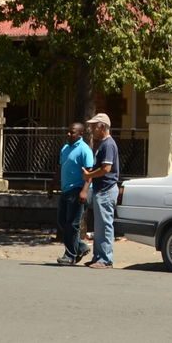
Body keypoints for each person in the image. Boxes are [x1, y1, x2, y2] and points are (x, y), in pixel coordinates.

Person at [83, 113, 120, 269]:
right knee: (99, 227)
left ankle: (105, 259)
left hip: (106, 190)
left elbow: (106, 168)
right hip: (102, 190)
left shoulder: (108, 144)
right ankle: (98, 257)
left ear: (103, 127)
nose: (91, 129)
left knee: (104, 226)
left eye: (94, 126)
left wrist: (89, 175)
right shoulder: (103, 144)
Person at [56, 121, 94, 266]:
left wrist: (84, 191)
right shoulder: (65, 148)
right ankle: (81, 247)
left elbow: (89, 173)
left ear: (80, 134)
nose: (69, 134)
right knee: (62, 222)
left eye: (72, 132)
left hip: (78, 190)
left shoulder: (85, 150)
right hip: (65, 190)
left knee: (72, 224)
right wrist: (53, 184)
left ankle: (70, 255)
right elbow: (60, 167)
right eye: (68, 131)